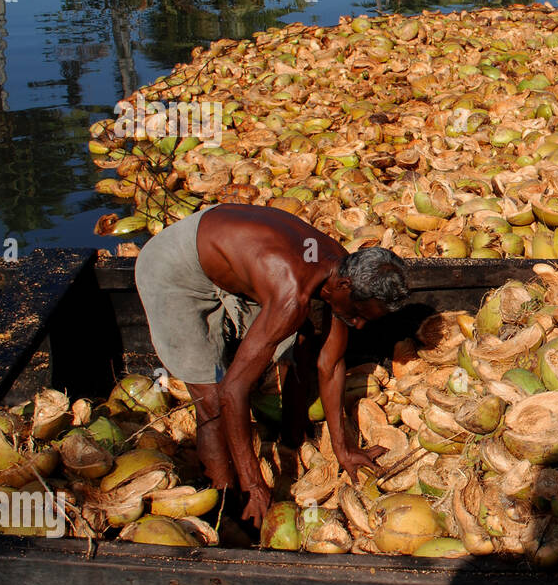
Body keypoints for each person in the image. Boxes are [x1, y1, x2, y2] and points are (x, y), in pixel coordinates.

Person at [133, 203, 408, 527]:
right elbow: (232, 392)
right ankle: (228, 509)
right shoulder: (292, 294)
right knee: (211, 402)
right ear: (345, 286)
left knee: (303, 343)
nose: (359, 325)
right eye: (360, 314)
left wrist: (343, 449)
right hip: (175, 266)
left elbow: (331, 366)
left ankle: (291, 439)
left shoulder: (338, 265)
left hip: (234, 251)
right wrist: (254, 483)